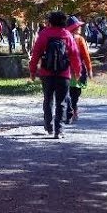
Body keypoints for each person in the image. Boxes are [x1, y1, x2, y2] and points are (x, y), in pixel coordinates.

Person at [28, 10, 82, 139]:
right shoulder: (67, 35)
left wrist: (32, 71)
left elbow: (36, 54)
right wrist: (78, 71)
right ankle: (59, 130)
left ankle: (48, 125)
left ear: (50, 21)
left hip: (46, 73)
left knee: (48, 99)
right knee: (61, 102)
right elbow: (74, 55)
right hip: (63, 74)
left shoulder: (44, 34)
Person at [64, 16, 93, 124]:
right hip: (77, 70)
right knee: (75, 93)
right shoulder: (79, 39)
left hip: (65, 70)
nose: (80, 28)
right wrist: (89, 69)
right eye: (78, 26)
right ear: (74, 28)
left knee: (67, 93)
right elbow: (86, 56)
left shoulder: (64, 38)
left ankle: (70, 111)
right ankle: (73, 110)